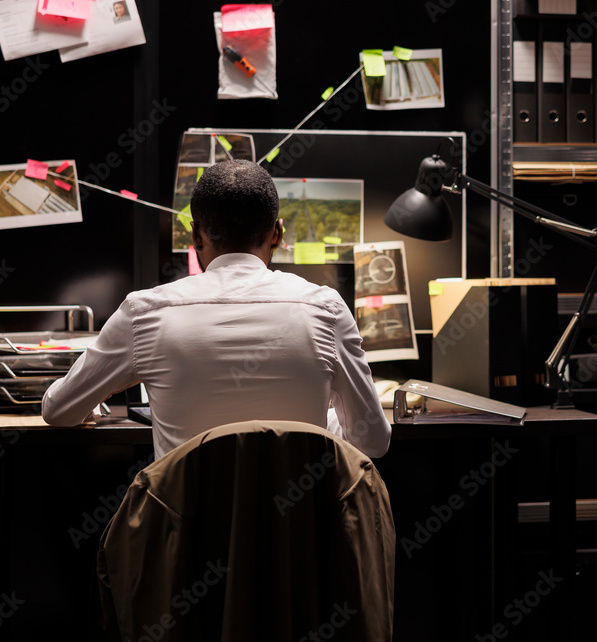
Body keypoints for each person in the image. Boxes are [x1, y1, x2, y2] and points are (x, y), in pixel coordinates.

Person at [42, 160, 390, 459]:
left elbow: (58, 410)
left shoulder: (143, 313)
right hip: (298, 533)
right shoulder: (327, 310)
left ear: (195, 237)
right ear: (277, 233)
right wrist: (320, 422)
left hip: (185, 535)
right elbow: (373, 441)